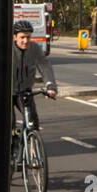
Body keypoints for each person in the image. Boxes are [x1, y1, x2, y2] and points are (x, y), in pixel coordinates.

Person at [12, 19, 57, 161]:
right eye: (22, 37)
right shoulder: (7, 50)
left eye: (28, 37)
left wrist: (50, 86)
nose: (25, 41)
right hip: (7, 92)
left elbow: (44, 66)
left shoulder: (34, 49)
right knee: (9, 123)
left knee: (33, 122)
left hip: (25, 92)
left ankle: (33, 151)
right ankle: (11, 150)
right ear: (15, 37)